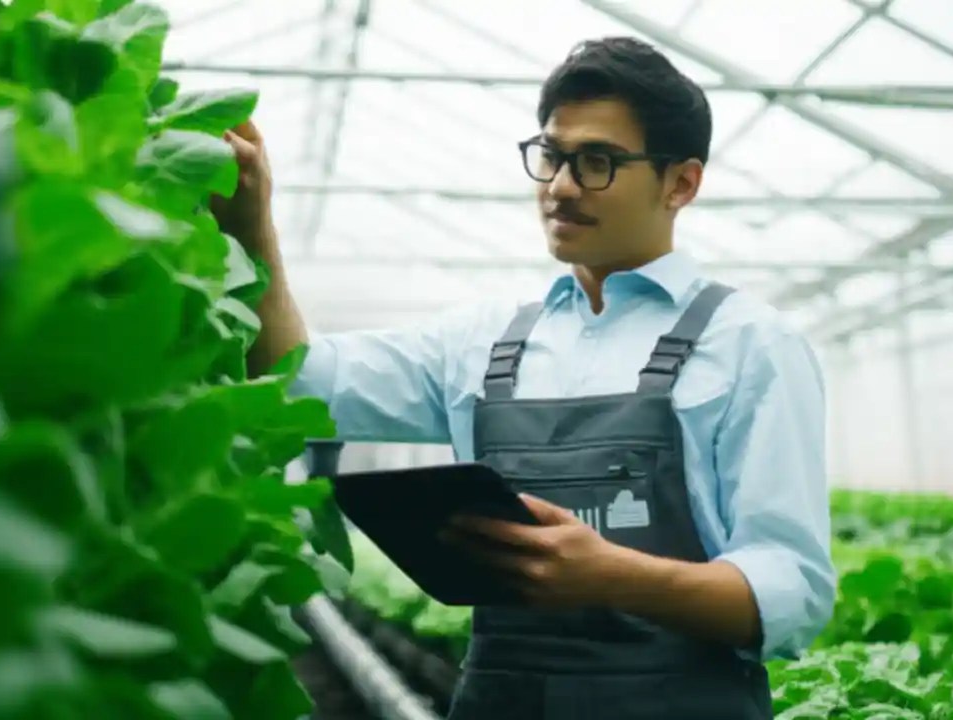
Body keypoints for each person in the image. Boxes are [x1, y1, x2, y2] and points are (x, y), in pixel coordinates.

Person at [213, 36, 835, 720]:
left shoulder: (750, 344)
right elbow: (296, 382)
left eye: (597, 162)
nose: (561, 186)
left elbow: (793, 591)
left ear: (680, 183)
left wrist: (612, 576)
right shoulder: (483, 344)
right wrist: (252, 230)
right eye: (552, 156)